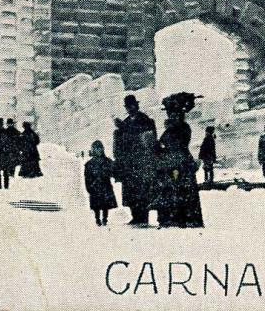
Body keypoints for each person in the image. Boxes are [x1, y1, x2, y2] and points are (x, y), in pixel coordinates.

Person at [152, 92, 204, 228]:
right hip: (172, 163)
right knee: (173, 191)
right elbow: (163, 146)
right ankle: (174, 217)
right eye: (170, 114)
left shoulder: (182, 128)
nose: (171, 116)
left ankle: (184, 218)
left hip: (179, 163)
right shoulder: (170, 130)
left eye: (174, 113)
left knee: (180, 191)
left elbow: (178, 145)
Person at [113, 94, 158, 225]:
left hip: (141, 162)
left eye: (132, 105)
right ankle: (135, 216)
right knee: (130, 191)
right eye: (128, 106)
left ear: (136, 105)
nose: (130, 108)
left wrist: (123, 128)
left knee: (142, 190)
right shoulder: (126, 121)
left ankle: (143, 217)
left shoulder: (144, 119)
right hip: (129, 162)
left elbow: (145, 136)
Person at [84, 140, 118, 226]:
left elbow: (113, 171)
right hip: (95, 186)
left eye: (100, 148)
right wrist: (89, 187)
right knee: (96, 205)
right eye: (96, 148)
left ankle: (105, 219)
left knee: (105, 205)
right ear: (93, 150)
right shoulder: (89, 164)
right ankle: (97, 219)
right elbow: (87, 177)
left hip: (105, 185)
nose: (99, 150)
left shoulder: (107, 161)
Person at [0, 119, 20, 190]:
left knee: (1, 170)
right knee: (3, 170)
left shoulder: (3, 132)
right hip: (3, 154)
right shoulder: (4, 132)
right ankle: (4, 185)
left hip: (2, 154)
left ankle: (1, 185)